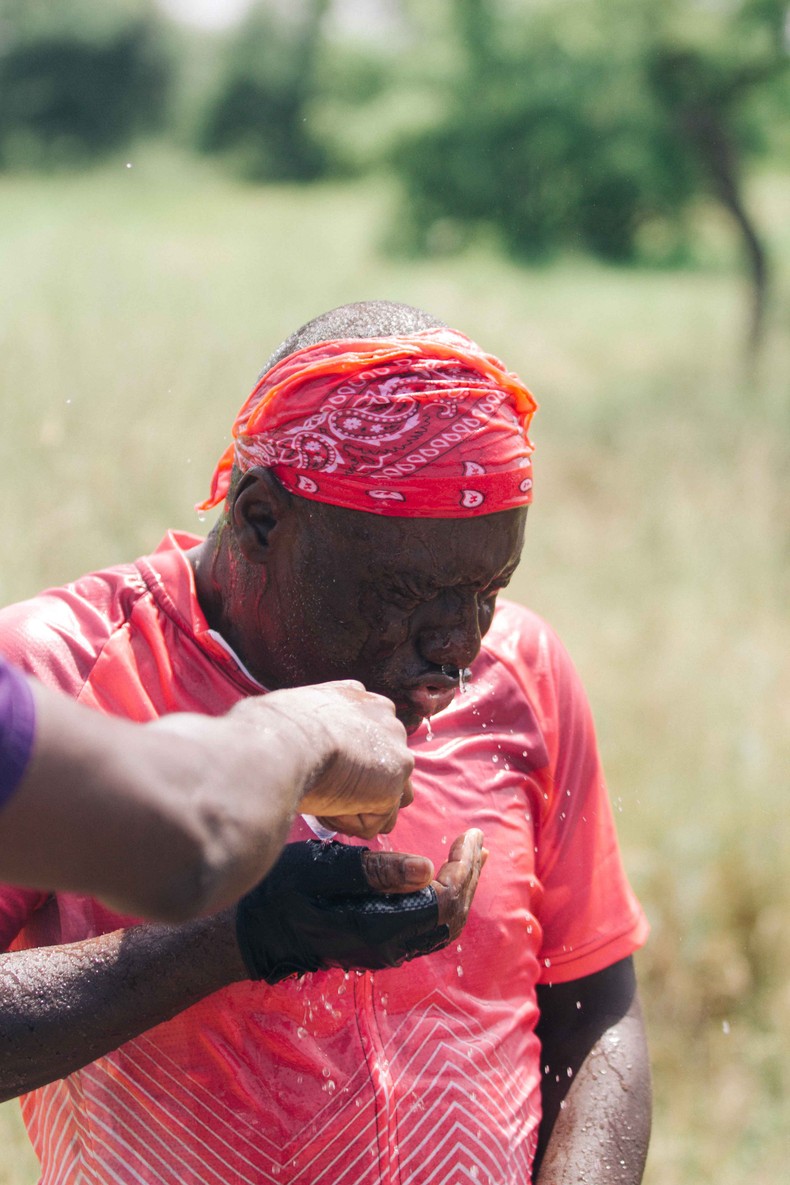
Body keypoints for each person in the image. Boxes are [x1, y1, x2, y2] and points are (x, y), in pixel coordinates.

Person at [0, 300, 651, 1185]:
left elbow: (597, 1008)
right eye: (403, 592)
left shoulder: (523, 671)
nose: (458, 647)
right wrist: (234, 938)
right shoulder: (59, 676)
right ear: (263, 518)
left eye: (488, 587)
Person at [0, 655, 430, 919]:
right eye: (404, 589)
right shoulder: (55, 658)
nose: (464, 649)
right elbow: (181, 844)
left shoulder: (497, 661)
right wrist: (303, 734)